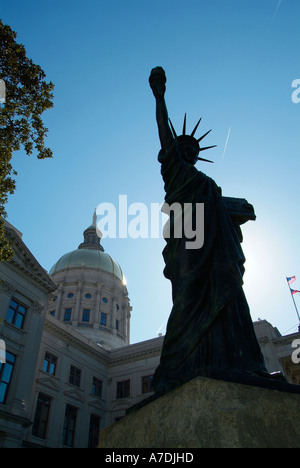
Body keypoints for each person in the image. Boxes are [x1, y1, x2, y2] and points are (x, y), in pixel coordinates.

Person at [149, 67, 272, 396]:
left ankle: (240, 363)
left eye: (193, 149)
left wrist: (236, 213)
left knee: (229, 295)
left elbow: (220, 209)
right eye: (183, 146)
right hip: (188, 236)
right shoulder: (175, 170)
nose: (188, 151)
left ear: (198, 155)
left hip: (218, 246)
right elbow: (164, 130)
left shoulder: (207, 183)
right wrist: (159, 96)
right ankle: (176, 365)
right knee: (189, 296)